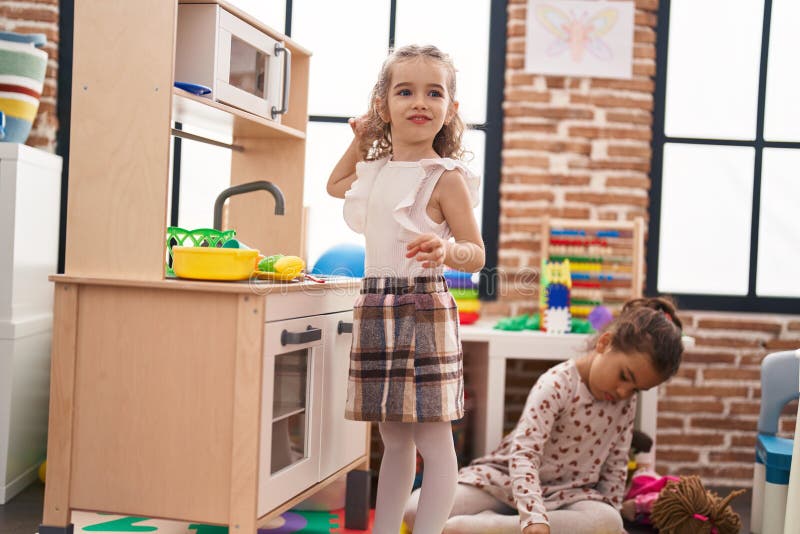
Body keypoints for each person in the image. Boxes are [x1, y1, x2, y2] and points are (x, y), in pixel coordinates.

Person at [326, 44, 485, 534]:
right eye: (405, 91)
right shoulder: (374, 173)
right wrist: (362, 138)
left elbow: (476, 253)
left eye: (434, 92)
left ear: (450, 110)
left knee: (435, 445)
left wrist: (446, 253)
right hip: (376, 306)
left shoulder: (445, 178)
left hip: (422, 308)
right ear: (385, 105)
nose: (420, 101)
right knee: (393, 441)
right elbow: (336, 185)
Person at [404, 297, 684, 534]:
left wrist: (612, 516)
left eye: (636, 389)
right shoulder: (557, 383)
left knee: (608, 521)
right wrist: (533, 515)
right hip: (506, 481)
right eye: (625, 376)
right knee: (415, 510)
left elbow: (616, 464)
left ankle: (488, 528)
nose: (624, 391)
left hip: (570, 497)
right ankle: (507, 523)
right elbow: (524, 455)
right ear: (604, 343)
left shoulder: (624, 401)